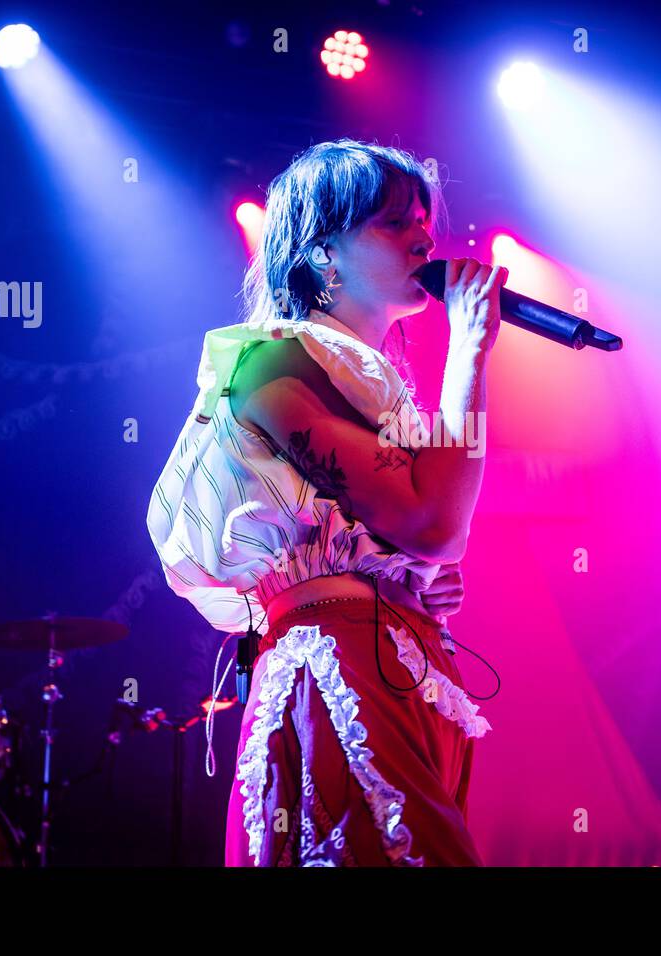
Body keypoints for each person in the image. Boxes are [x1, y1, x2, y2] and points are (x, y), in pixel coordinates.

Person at [147, 139, 507, 865]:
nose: (423, 239)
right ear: (322, 255)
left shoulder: (379, 393)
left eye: (425, 226)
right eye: (393, 222)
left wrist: (406, 573)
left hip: (404, 665)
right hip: (340, 660)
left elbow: (433, 533)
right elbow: (437, 525)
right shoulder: (272, 362)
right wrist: (469, 350)